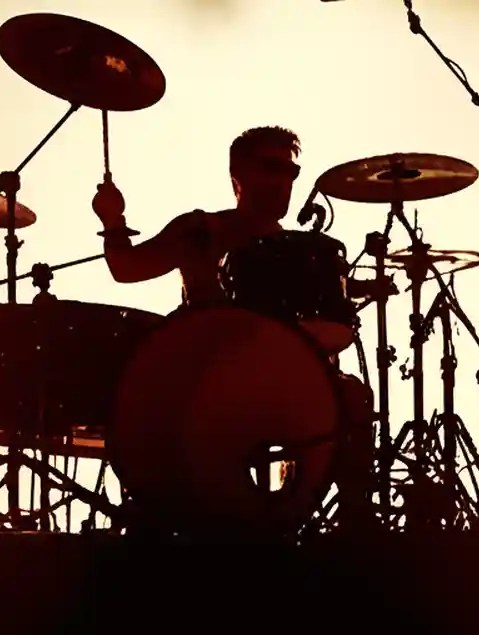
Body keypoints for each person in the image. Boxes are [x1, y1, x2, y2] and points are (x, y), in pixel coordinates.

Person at [91, 125, 385, 530]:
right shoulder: (199, 230)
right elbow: (125, 269)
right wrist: (113, 219)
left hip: (283, 382)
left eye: (291, 172)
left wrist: (357, 289)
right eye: (271, 168)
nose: (284, 181)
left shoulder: (302, 252)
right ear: (238, 176)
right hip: (204, 380)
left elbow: (319, 317)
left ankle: (355, 526)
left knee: (352, 396)